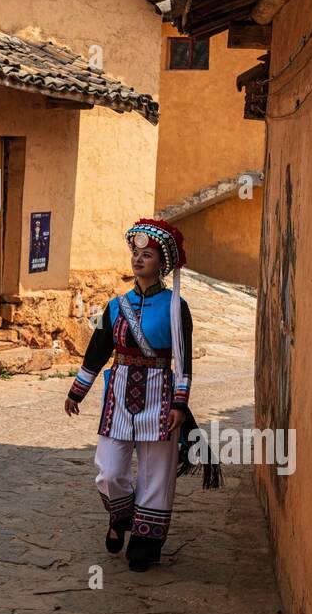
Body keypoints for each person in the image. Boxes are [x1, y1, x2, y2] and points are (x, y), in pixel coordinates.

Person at [63, 218, 218, 571]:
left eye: (147, 255)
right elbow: (97, 349)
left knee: (156, 474)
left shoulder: (177, 307)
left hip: (160, 398)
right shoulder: (116, 306)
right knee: (109, 470)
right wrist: (78, 391)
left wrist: (180, 402)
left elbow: (184, 360)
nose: (138, 259)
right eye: (136, 253)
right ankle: (121, 516)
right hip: (118, 398)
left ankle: (146, 541)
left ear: (162, 264)